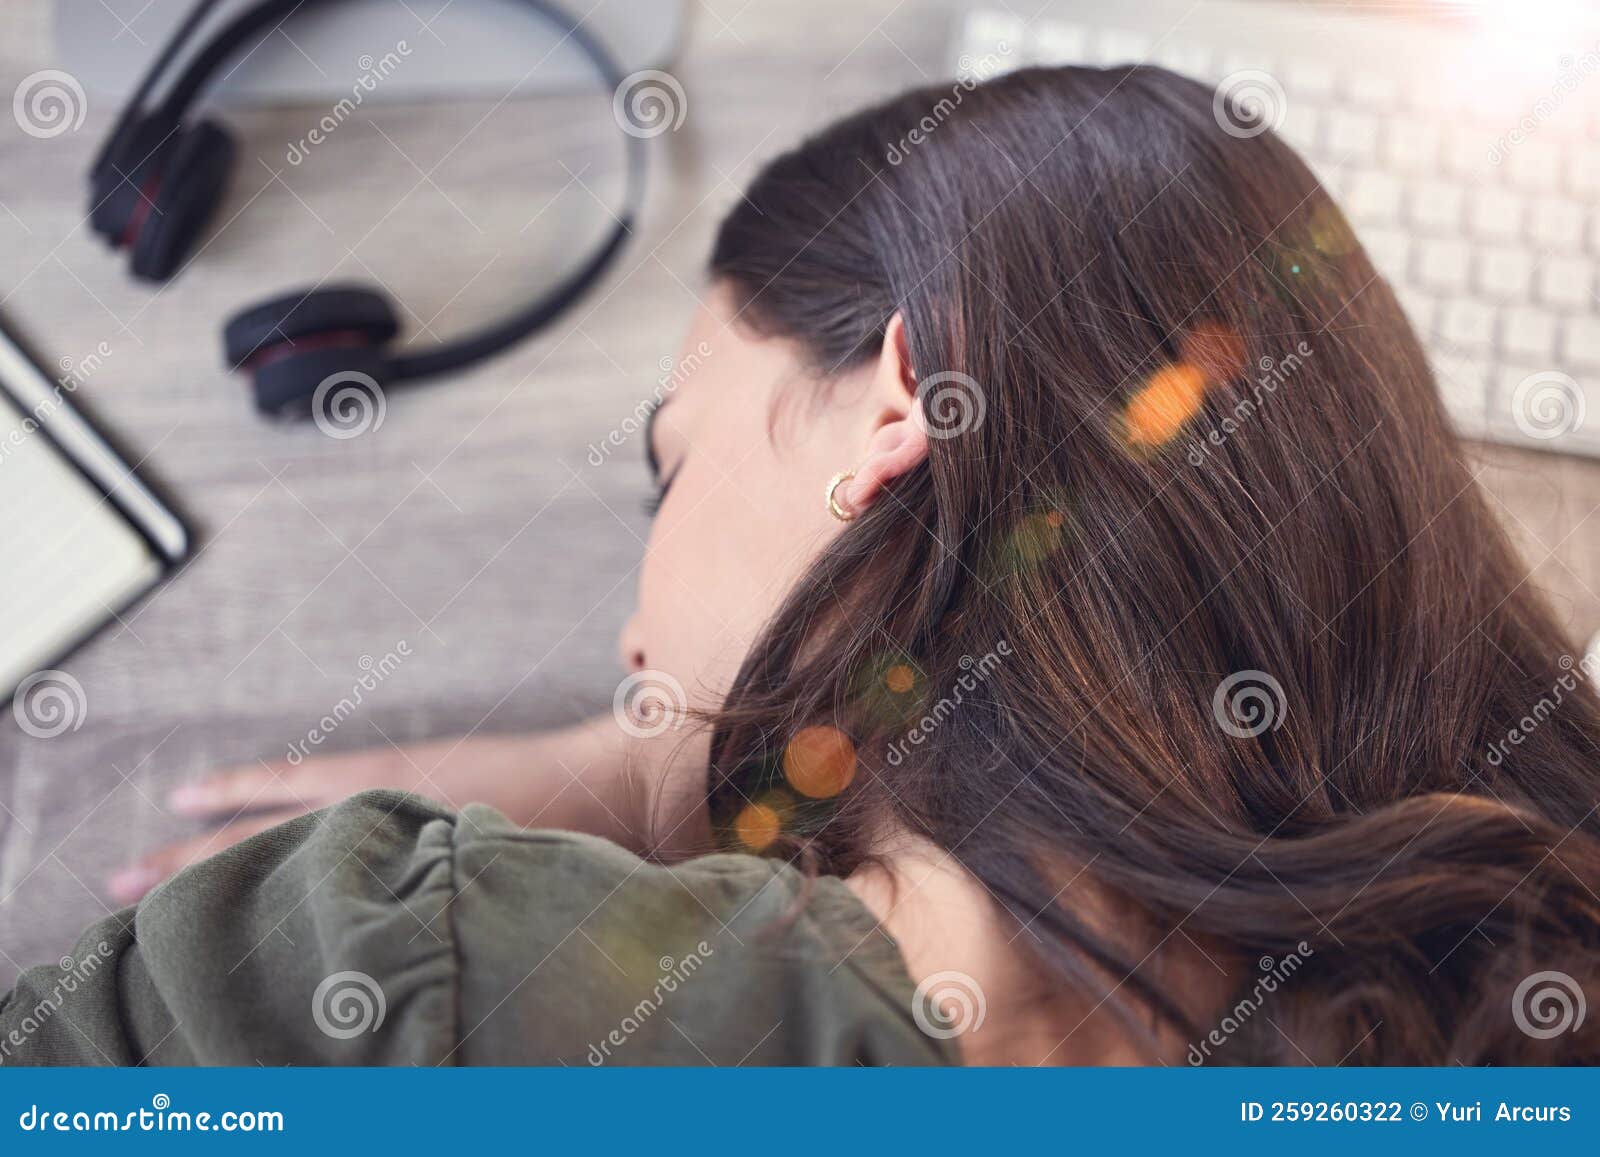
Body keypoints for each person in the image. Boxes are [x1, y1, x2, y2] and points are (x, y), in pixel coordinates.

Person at [6, 63, 1599, 1066]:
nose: (629, 635)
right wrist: (661, 764)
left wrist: (474, 880)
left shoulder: (402, 963)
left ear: (901, 396)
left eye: (673, 462)